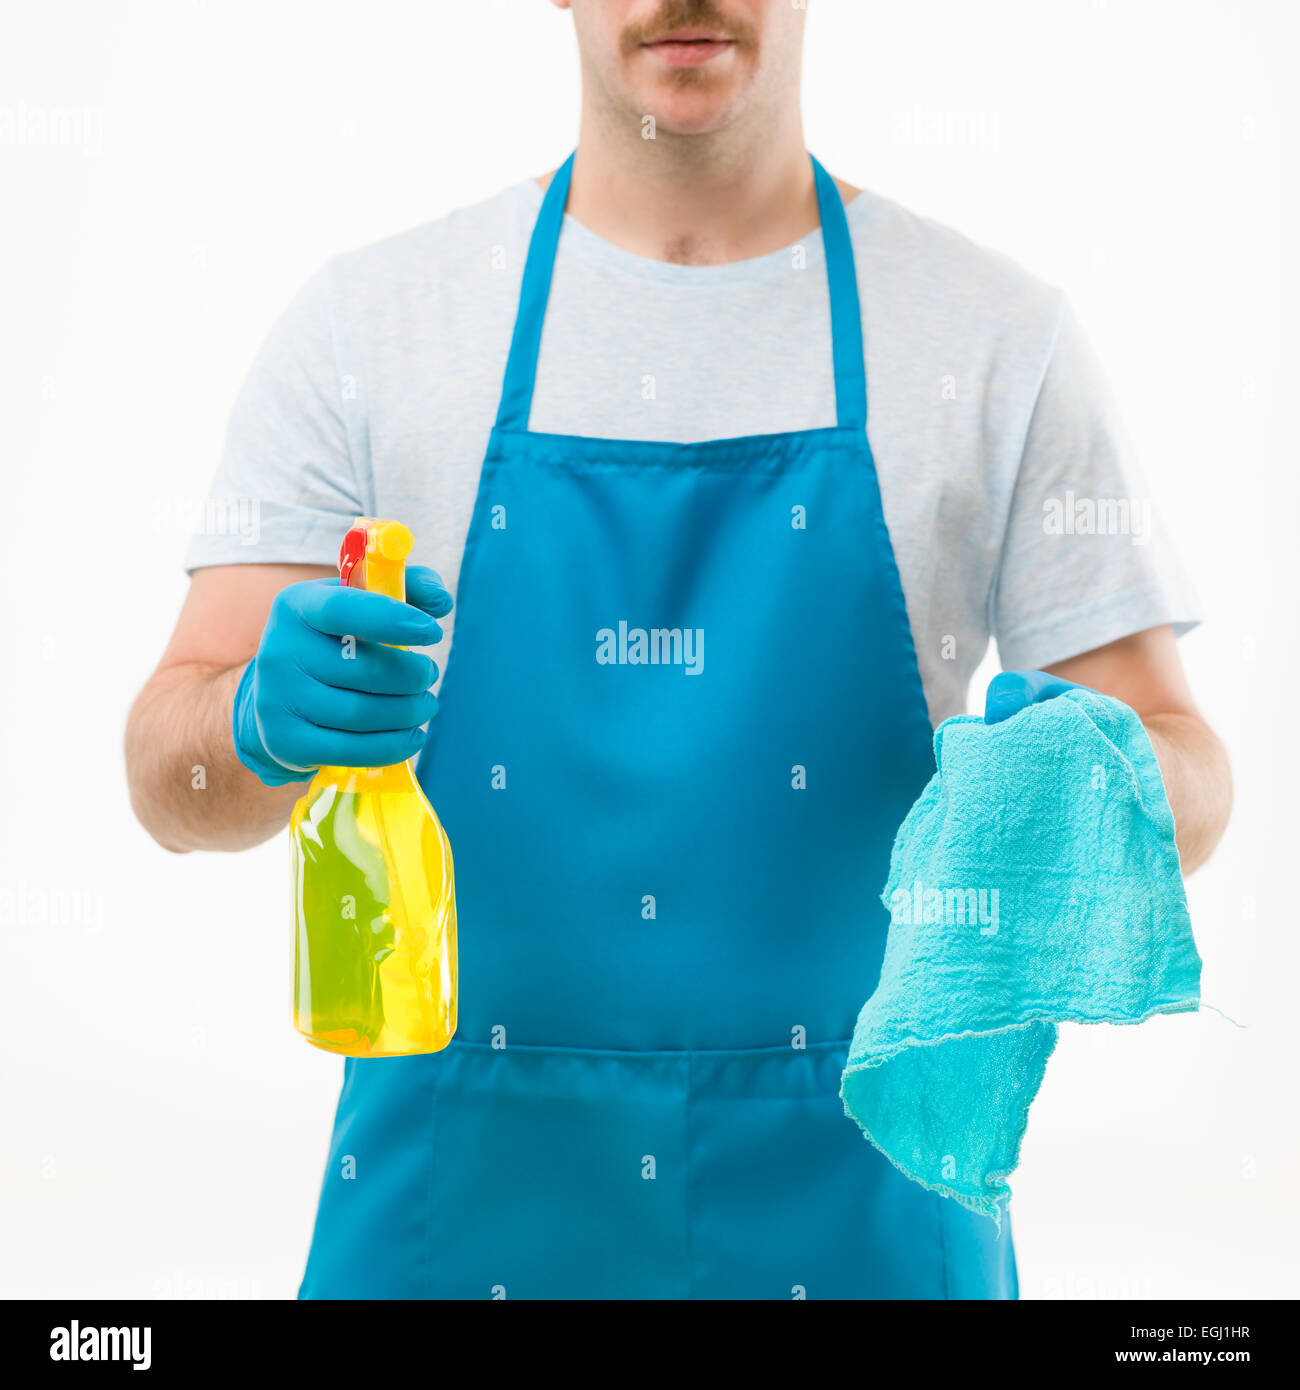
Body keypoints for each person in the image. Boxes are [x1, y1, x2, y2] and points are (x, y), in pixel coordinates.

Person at [125, 0, 1232, 1299]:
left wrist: (1090, 775)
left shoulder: (993, 335)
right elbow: (167, 779)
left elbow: (1191, 775)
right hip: (456, 1216)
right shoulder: (373, 327)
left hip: (865, 1211)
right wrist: (254, 721)